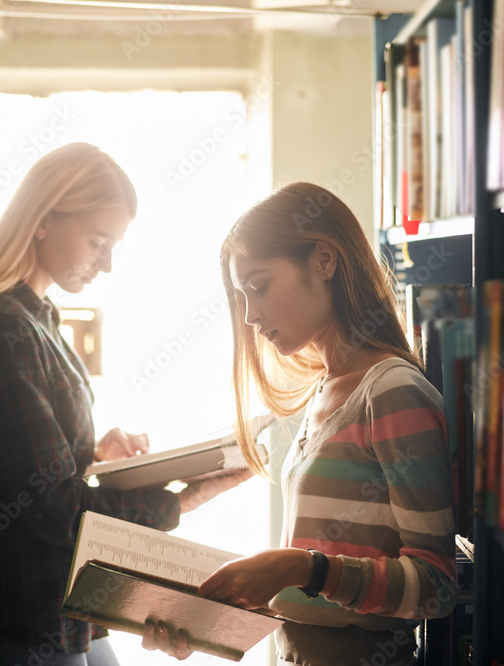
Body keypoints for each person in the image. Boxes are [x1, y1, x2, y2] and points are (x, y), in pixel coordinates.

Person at [0, 142, 247, 666]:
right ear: (41, 221)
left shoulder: (38, 316)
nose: (106, 264)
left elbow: (30, 465)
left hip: (65, 609)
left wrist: (95, 455)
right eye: (98, 241)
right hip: (21, 622)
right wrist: (180, 501)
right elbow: (50, 506)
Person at [143, 182, 458, 665]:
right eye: (241, 296)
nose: (250, 315)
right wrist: (206, 617)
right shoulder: (326, 390)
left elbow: (435, 587)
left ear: (324, 260)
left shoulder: (392, 392)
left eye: (259, 285)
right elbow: (319, 592)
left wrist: (302, 568)